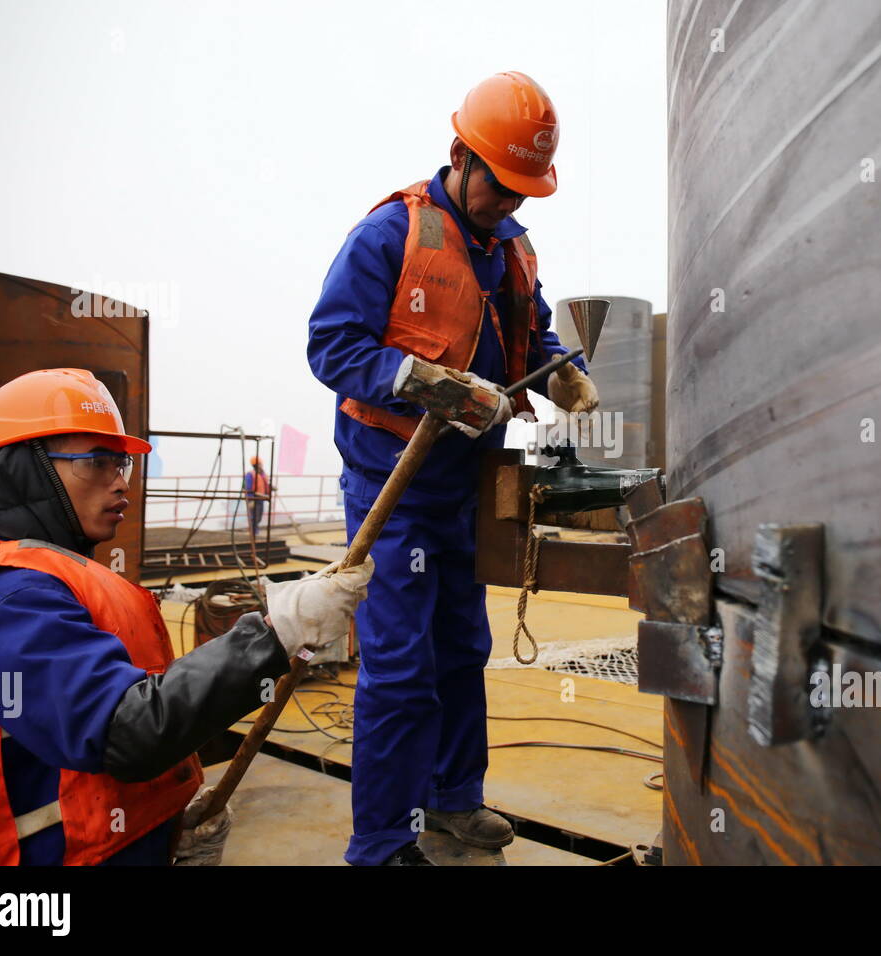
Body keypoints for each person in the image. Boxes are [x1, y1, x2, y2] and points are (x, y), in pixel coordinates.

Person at [307, 72, 599, 866]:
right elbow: (331, 346)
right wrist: (420, 379)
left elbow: (525, 330)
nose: (510, 206)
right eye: (500, 188)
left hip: (467, 488)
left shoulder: (514, 248)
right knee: (400, 670)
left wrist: (557, 364)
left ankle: (453, 800)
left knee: (463, 648)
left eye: (523, 194)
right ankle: (379, 843)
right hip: (393, 487)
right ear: (459, 156)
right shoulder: (390, 235)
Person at [0, 368, 371, 865]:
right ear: (26, 470)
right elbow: (127, 732)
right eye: (98, 462)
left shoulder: (54, 579)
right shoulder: (3, 599)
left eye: (124, 466)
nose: (121, 483)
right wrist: (276, 635)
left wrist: (166, 830)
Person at [244, 456, 270, 536]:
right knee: (254, 517)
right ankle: (254, 534)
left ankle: (255, 532)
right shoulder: (250, 475)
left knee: (258, 517)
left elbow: (264, 485)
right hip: (254, 499)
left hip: (261, 499)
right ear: (257, 464)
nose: (262, 465)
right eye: (260, 464)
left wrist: (271, 488)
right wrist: (251, 500)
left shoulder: (262, 474)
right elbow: (247, 488)